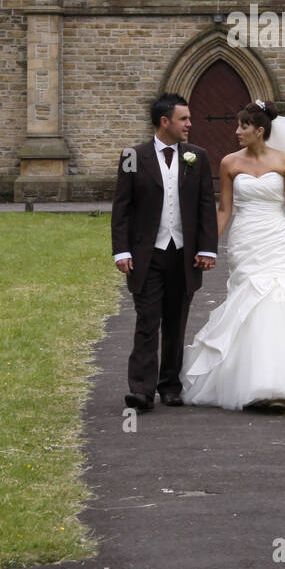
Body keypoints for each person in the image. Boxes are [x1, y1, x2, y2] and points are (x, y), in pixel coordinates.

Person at [181, 100, 285, 411]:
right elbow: (225, 210)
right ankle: (249, 381)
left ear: (260, 131)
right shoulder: (229, 163)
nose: (237, 131)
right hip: (245, 238)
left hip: (275, 237)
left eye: (244, 126)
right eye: (238, 125)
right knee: (248, 298)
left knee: (278, 297)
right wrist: (207, 246)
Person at [111, 93, 218, 412]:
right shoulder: (133, 156)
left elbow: (205, 206)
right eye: (183, 119)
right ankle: (141, 390)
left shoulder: (197, 157)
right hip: (147, 255)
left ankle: (170, 385)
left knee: (176, 322)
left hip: (184, 255)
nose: (189, 124)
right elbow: (122, 208)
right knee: (147, 320)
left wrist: (207, 248)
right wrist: (121, 252)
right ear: (164, 122)